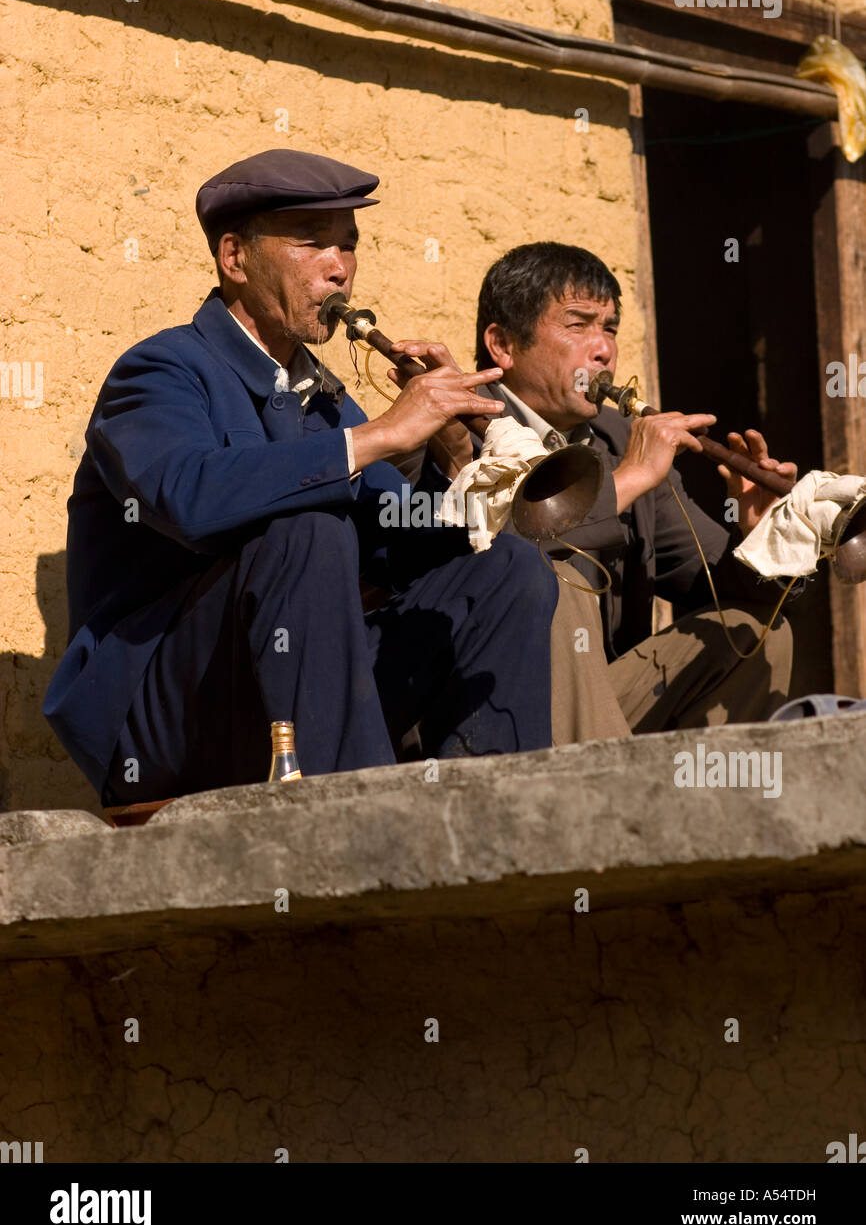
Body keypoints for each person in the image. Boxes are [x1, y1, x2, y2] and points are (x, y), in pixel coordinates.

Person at [43, 151, 558, 806]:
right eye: (313, 244)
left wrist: (462, 442)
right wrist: (380, 435)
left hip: (298, 693)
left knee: (505, 572)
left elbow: (398, 548)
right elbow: (188, 496)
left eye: (348, 246)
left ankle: (497, 816)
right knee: (305, 532)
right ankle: (359, 818)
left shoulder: (328, 399)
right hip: (164, 716)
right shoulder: (159, 370)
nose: (339, 267)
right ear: (235, 258)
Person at [472, 241, 800, 743]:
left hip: (603, 710)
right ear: (503, 345)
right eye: (578, 325)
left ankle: (701, 811)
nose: (603, 348)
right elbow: (502, 558)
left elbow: (711, 581)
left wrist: (764, 536)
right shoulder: (456, 430)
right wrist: (628, 479)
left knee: (755, 633)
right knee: (554, 581)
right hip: (493, 709)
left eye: (609, 329)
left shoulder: (620, 440)